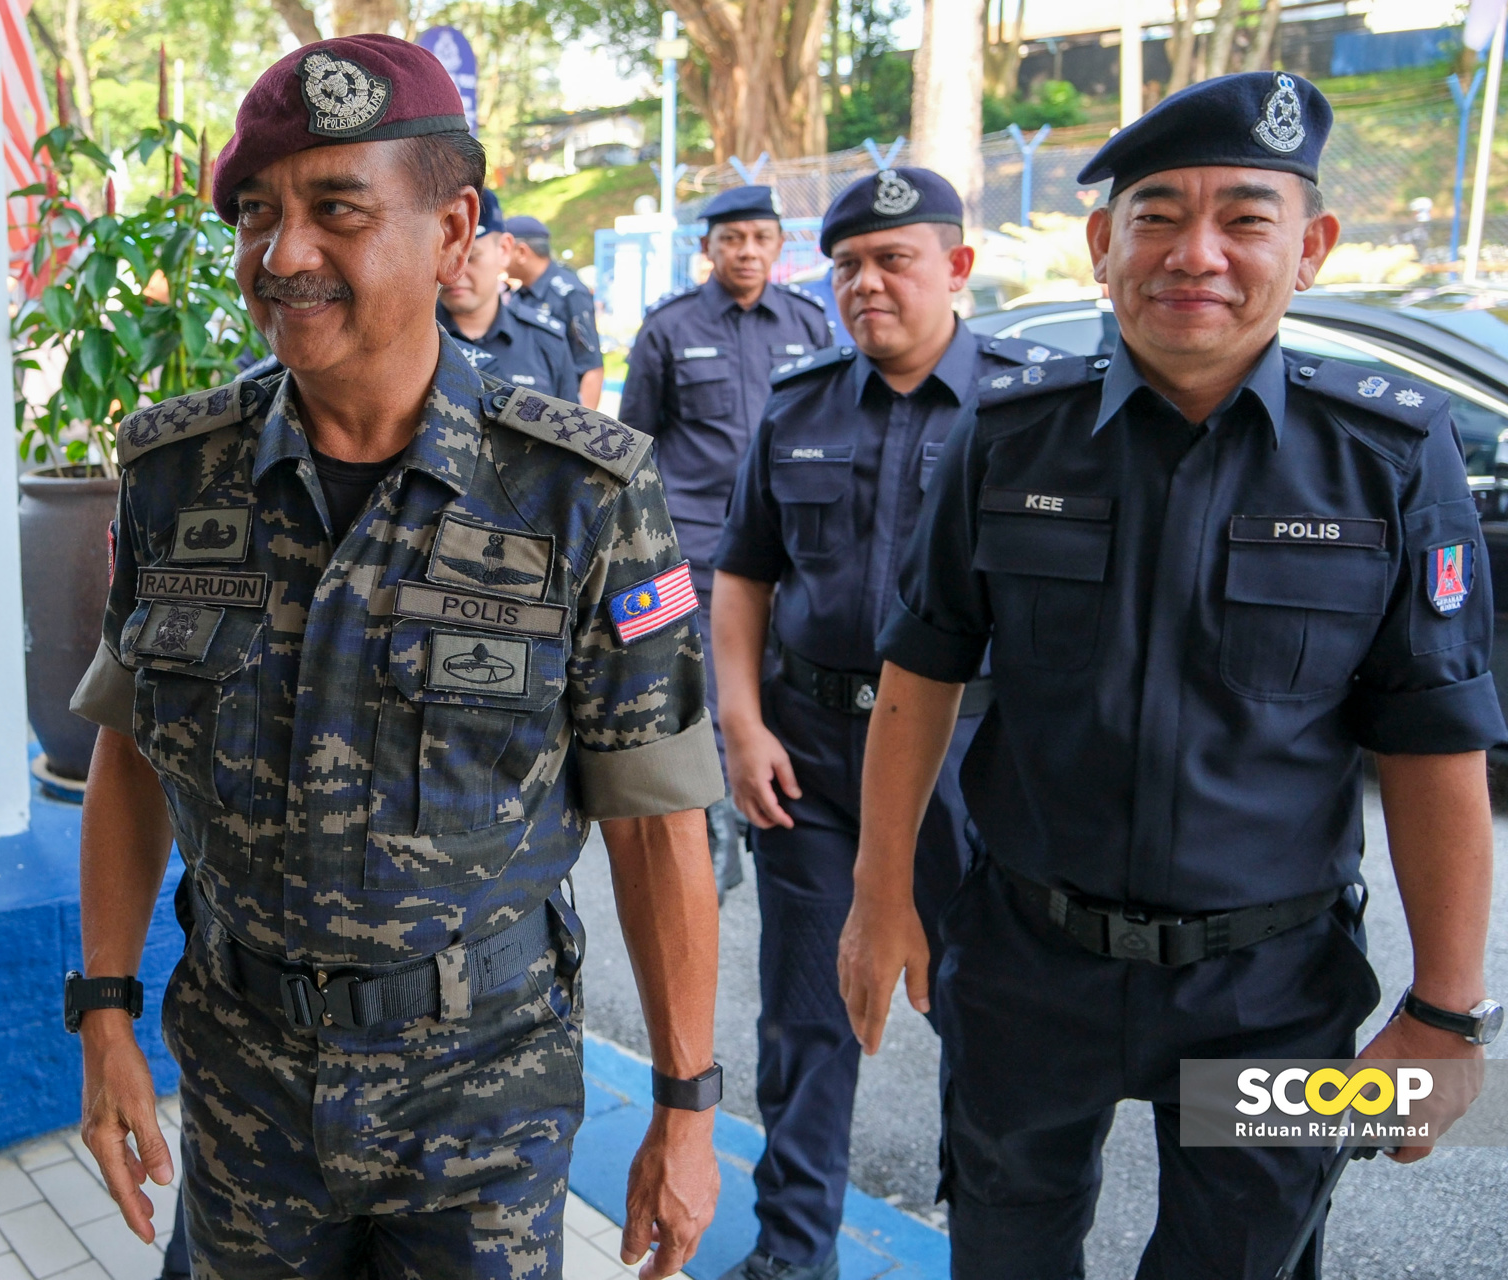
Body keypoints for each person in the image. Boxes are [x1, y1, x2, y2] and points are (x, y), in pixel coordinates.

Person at [65, 36, 726, 1280]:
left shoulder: (581, 491)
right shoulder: (175, 468)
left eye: (336, 208)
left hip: (484, 1096)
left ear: (453, 227)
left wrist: (688, 1104)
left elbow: (655, 822)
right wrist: (103, 1006)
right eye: (258, 212)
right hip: (243, 1078)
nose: (283, 252)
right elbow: (131, 753)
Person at [838, 72, 1505, 1279]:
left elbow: (1433, 736)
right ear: (1104, 244)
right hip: (1026, 967)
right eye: (1156, 215)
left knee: (1249, 1255)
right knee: (1004, 1241)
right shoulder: (1004, 434)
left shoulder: (1394, 458)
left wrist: (1446, 1012)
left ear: (1311, 248)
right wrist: (882, 893)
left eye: (1246, 219)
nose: (1195, 252)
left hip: (1278, 987)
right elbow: (921, 670)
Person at [710, 169, 1053, 1280]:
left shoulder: (1032, 408)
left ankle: (987, 1245)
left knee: (986, 1026)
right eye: (847, 263)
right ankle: (791, 1255)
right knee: (805, 1028)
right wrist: (741, 722)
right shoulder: (802, 400)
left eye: (892, 259)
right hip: (810, 758)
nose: (864, 284)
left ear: (956, 267)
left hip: (970, 766)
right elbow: (742, 574)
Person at [619, 184, 832, 898]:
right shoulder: (669, 330)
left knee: (783, 683)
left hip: (792, 549)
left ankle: (781, 809)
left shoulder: (807, 325)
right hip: (700, 549)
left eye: (760, 239)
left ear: (779, 247)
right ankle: (715, 831)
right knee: (708, 689)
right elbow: (635, 447)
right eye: (731, 239)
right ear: (706, 248)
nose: (746, 252)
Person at [438, 189, 581, 401]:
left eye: (471, 257)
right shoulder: (408, 339)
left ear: (504, 250)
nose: (454, 273)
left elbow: (570, 430)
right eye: (442, 257)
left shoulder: (546, 342)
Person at [505, 214, 604, 408]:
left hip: (559, 413)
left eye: (503, 248)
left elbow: (591, 368)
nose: (497, 256)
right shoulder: (520, 294)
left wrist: (580, 431)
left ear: (522, 252)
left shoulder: (569, 293)